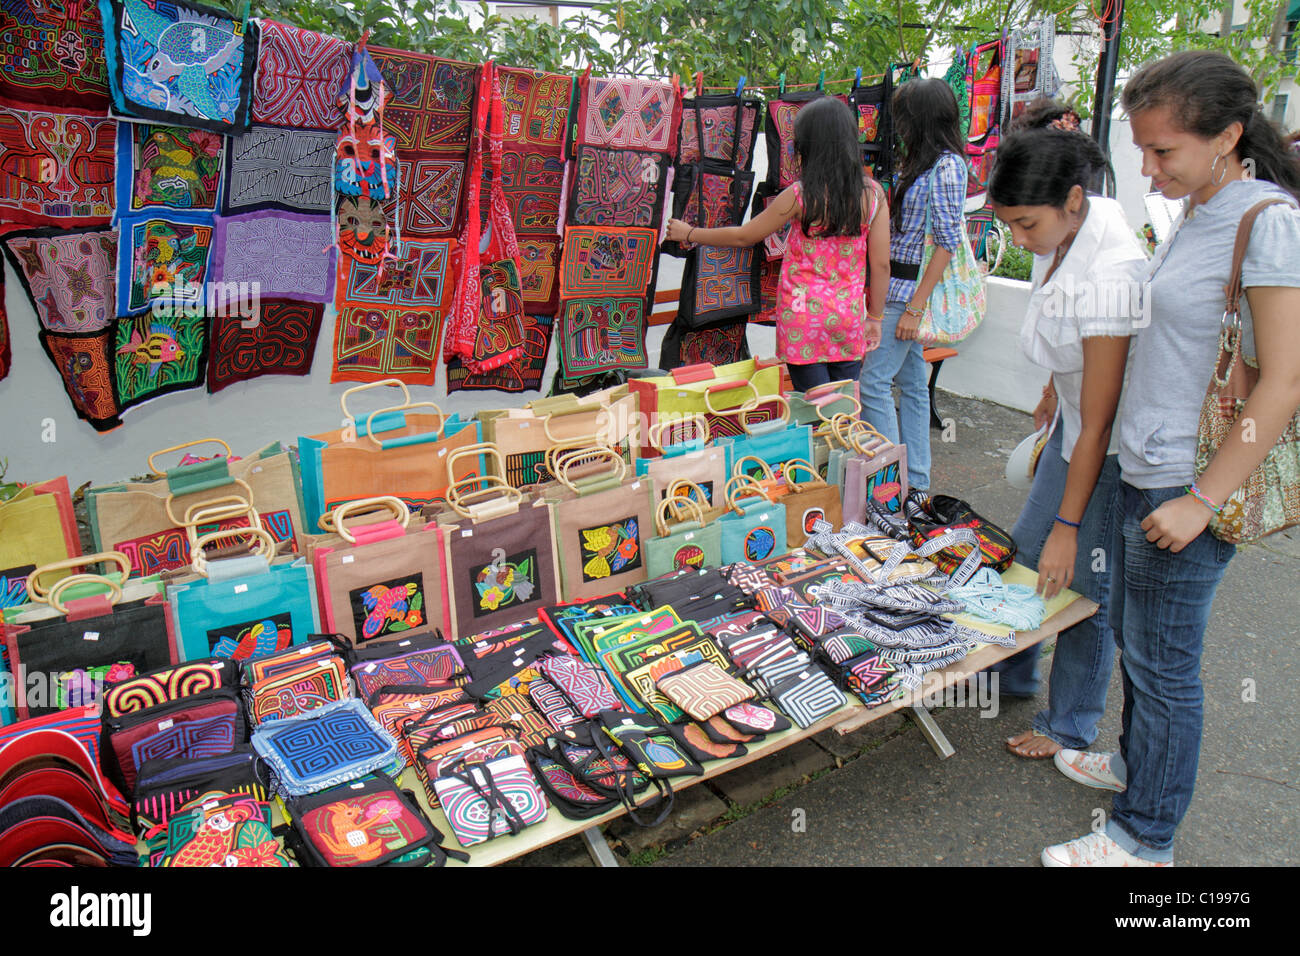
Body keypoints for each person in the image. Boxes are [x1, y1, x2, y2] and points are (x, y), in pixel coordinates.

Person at [1042, 50, 1300, 867]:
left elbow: (1285, 382)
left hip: (1186, 487)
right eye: (1142, 150)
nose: (1148, 171)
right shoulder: (1202, 208)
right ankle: (1135, 770)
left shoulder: (1268, 219)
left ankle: (1144, 836)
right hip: (1144, 466)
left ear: (1227, 135)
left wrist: (1203, 498)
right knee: (1136, 637)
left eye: (1164, 153)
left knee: (1164, 667)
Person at [984, 118, 1147, 760]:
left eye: (1027, 225)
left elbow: (1102, 424)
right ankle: (1014, 671)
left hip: (1103, 446)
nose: (1021, 239)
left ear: (1072, 202)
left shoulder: (1113, 273)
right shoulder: (1067, 226)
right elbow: (1069, 338)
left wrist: (1070, 525)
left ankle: (1070, 724)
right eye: (1012, 225)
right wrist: (1055, 387)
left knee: (1084, 583)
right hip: (1074, 424)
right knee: (1026, 553)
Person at [665, 96, 889, 391]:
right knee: (845, 408)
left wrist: (690, 232)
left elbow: (745, 236)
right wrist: (875, 316)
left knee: (814, 409)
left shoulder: (800, 195)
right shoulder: (873, 195)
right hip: (845, 320)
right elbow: (881, 264)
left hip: (803, 321)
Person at [858, 78, 967, 495]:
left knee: (873, 383)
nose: (897, 124)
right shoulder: (923, 162)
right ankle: (914, 485)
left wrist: (915, 307)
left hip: (906, 294)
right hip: (900, 289)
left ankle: (891, 483)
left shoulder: (946, 166)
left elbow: (947, 241)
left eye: (904, 115)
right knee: (912, 387)